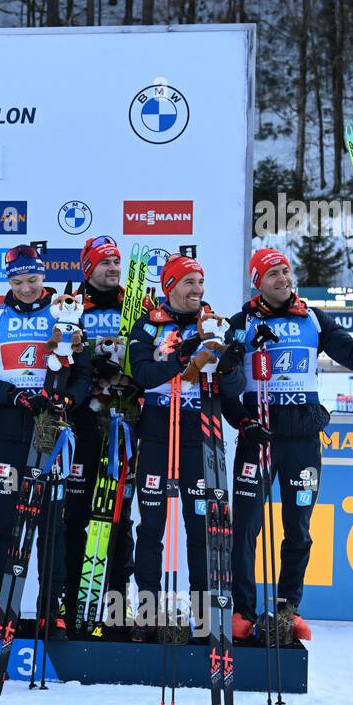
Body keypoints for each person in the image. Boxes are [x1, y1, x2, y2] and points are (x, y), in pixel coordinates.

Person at [224, 247, 353, 644]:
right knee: (246, 530)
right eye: (272, 273)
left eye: (285, 270)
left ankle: (288, 610)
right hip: (259, 437)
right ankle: (243, 612)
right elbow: (227, 385)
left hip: (302, 440)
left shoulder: (313, 318)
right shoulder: (242, 322)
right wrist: (243, 418)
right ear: (257, 281)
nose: (282, 278)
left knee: (299, 530)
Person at [0, 246, 92, 637]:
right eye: (18, 281)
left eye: (33, 280)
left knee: (52, 523)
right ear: (8, 281)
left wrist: (67, 400)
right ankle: (6, 604)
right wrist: (14, 395)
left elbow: (83, 374)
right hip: (8, 432)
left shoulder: (65, 313)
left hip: (51, 432)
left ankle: (50, 608)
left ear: (43, 277)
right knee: (6, 522)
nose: (26, 288)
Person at [127, 254, 245, 640]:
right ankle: (147, 615)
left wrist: (227, 363)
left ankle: (204, 618)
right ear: (170, 286)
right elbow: (142, 374)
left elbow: (233, 386)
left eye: (200, 282)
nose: (197, 290)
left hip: (200, 432)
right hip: (159, 430)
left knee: (201, 529)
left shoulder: (214, 324)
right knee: (152, 529)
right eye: (189, 283)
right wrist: (185, 355)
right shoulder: (148, 326)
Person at [62, 236, 139, 634]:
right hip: (83, 422)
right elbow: (56, 357)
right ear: (87, 267)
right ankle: (71, 598)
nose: (112, 267)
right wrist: (89, 362)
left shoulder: (138, 304)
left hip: (123, 422)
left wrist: (131, 376)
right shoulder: (71, 305)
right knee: (74, 516)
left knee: (120, 517)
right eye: (104, 261)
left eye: (116, 261)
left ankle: (117, 601)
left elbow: (153, 353)